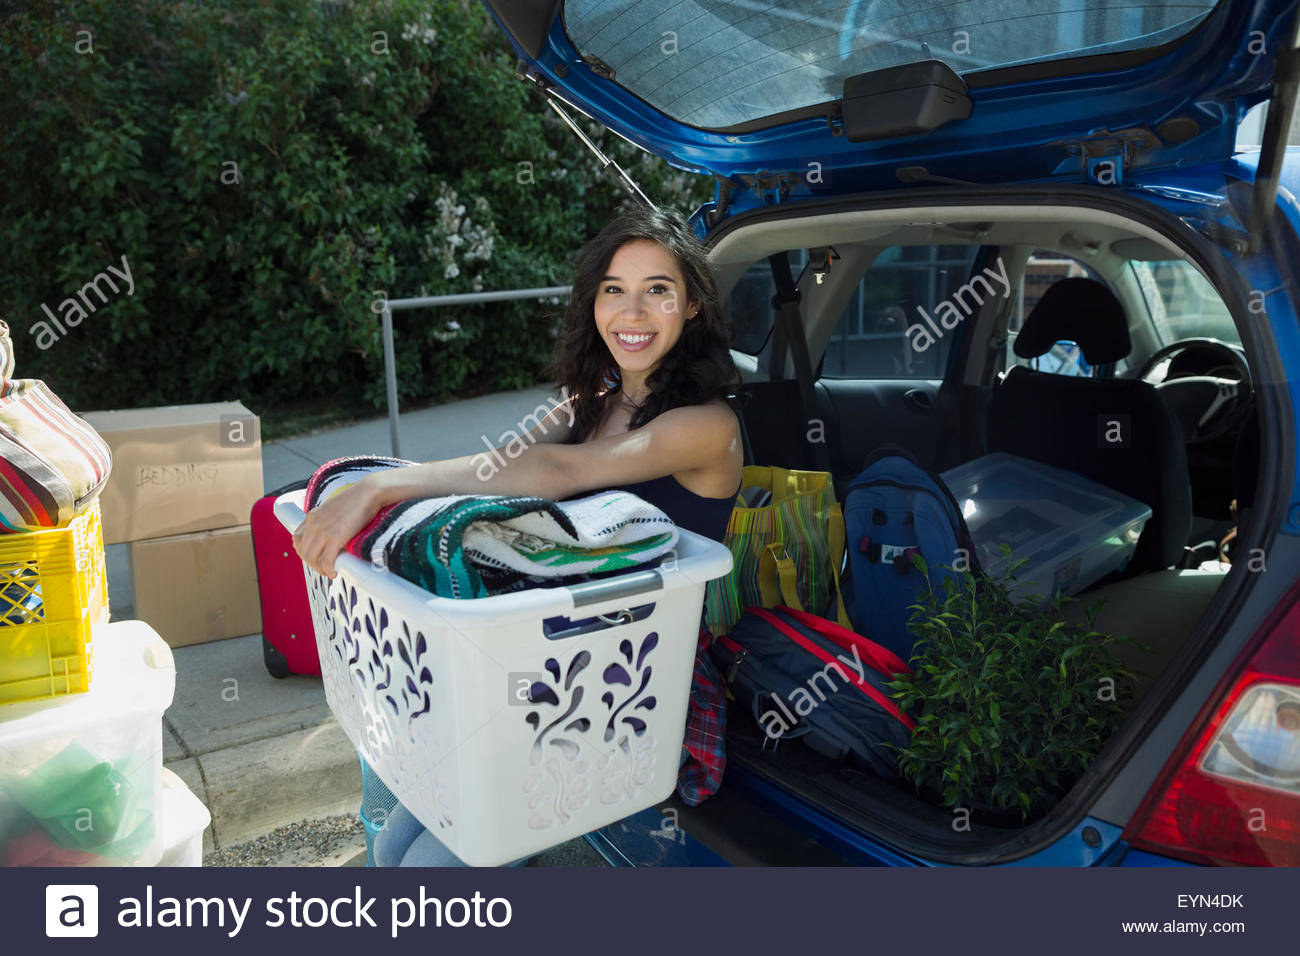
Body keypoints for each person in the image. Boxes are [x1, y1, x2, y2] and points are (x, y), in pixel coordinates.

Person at [292, 206, 744, 865]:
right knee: (392, 851)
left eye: (658, 291)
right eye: (614, 289)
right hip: (537, 664)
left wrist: (384, 486)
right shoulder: (595, 397)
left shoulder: (707, 424)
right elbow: (499, 469)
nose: (632, 313)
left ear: (694, 307)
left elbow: (558, 470)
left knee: (424, 867)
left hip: (630, 683)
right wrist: (381, 487)